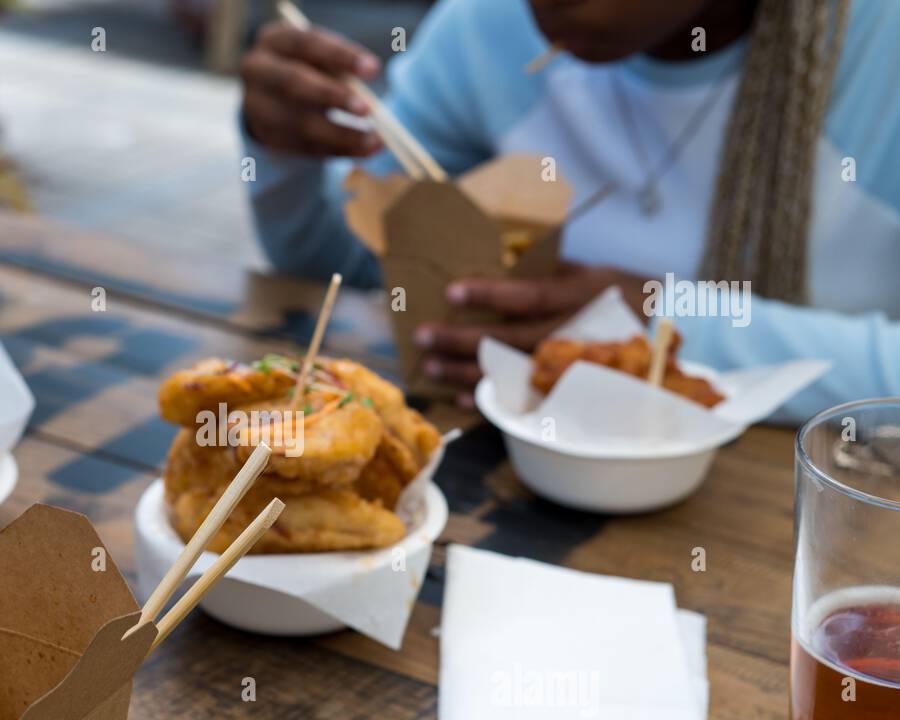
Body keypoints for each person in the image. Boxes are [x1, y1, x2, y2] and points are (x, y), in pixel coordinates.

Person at [239, 0, 900, 420]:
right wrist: (283, 152)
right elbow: (344, 264)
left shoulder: (878, 51)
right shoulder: (484, 30)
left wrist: (666, 329)